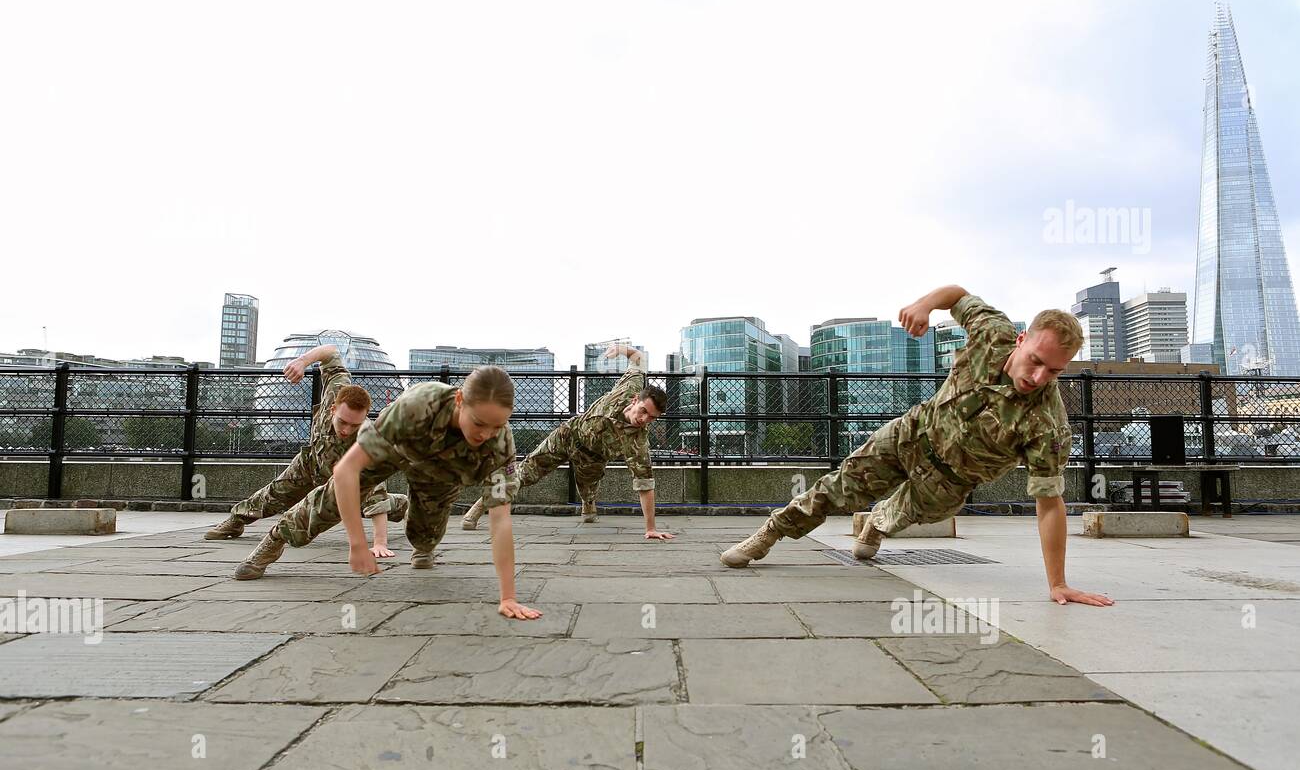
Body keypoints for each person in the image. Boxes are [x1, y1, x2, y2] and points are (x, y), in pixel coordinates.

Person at [719, 285, 1114, 607]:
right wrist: (924, 305)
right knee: (838, 487)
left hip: (947, 483)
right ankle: (768, 535)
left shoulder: (1047, 423)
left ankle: (877, 523)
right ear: (1021, 339)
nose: (1039, 376)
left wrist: (1058, 583)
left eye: (1055, 371)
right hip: (912, 434)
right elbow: (957, 295)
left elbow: (1049, 504)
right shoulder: (994, 334)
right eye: (1035, 360)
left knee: (903, 513)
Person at [234, 365, 541, 621]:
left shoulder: (500, 445)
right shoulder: (418, 406)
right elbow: (345, 471)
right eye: (478, 423)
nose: (485, 434)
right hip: (393, 448)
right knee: (331, 502)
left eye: (496, 426)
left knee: (425, 535)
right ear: (459, 399)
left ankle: (422, 545)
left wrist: (508, 597)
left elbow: (500, 520)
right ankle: (275, 539)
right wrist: (357, 544)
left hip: (441, 473)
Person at [204, 343, 406, 557]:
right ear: (333, 409)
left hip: (342, 482)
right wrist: (302, 361)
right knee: (273, 494)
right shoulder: (336, 390)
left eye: (354, 425)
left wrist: (380, 543)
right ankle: (236, 521)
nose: (347, 430)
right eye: (343, 422)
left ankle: (398, 504)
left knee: (367, 504)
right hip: (310, 464)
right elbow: (330, 352)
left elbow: (376, 491)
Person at [460, 343, 674, 540]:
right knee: (525, 472)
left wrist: (650, 528)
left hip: (593, 457)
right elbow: (638, 359)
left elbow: (645, 484)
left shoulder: (637, 441)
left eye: (652, 418)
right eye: (644, 411)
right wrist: (621, 348)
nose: (644, 419)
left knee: (588, 488)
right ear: (636, 400)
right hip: (567, 435)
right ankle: (479, 507)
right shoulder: (631, 386)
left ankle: (588, 505)